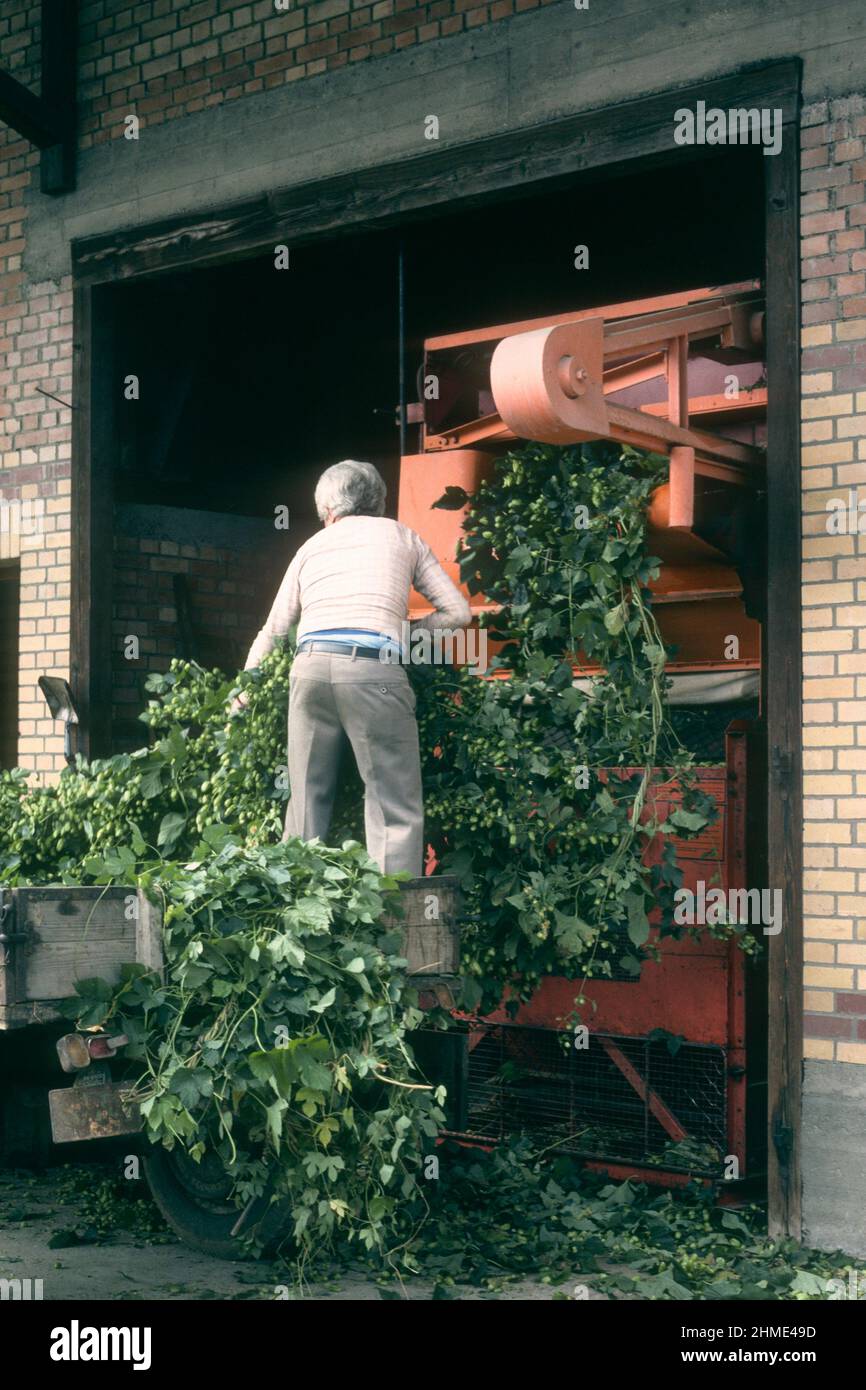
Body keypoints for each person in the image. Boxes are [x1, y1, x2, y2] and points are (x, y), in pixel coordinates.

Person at [236, 459, 471, 877]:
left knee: (306, 798)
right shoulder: (403, 536)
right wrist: (406, 634)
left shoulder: (309, 547)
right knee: (393, 805)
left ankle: (299, 908)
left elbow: (273, 628)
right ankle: (390, 923)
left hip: (308, 671)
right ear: (379, 502)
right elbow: (458, 614)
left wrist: (242, 694)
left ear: (328, 512)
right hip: (374, 673)